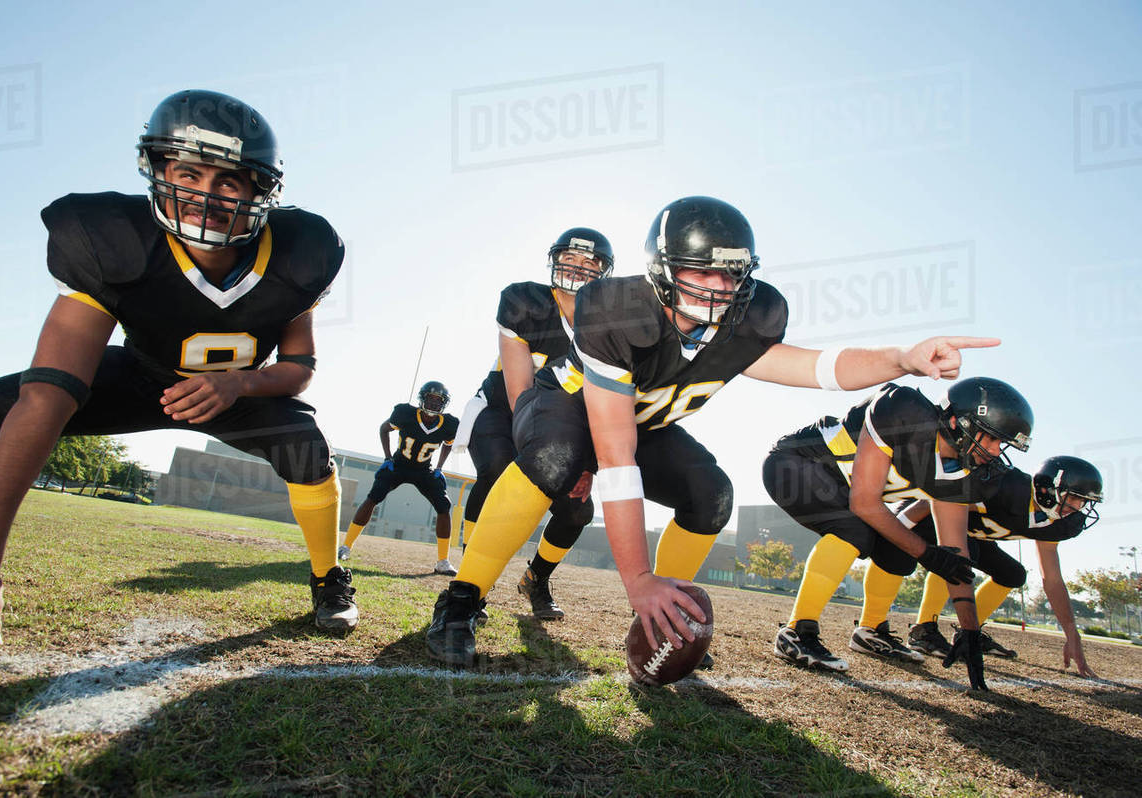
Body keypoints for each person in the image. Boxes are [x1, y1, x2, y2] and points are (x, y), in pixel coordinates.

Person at [426, 194, 999, 670]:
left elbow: (819, 368)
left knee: (711, 494)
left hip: (646, 422)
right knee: (555, 456)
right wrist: (637, 578)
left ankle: (660, 619)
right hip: (566, 403)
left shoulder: (749, 318)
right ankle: (460, 601)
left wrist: (902, 356)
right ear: (661, 270)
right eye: (698, 270)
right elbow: (617, 456)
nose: (715, 287)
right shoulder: (618, 309)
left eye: (729, 272)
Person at [0, 89, 356, 670]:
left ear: (261, 191)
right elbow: (50, 388)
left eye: (228, 182)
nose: (204, 196)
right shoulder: (112, 237)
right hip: (141, 375)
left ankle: (329, 577)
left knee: (310, 451)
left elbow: (299, 370)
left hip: (232, 392)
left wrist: (238, 385)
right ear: (159, 170)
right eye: (189, 172)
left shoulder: (302, 251)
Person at [764, 377, 1033, 690]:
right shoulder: (904, 413)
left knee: (901, 552)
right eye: (992, 439)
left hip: (847, 491)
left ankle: (870, 630)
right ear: (961, 423)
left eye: (1003, 444)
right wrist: (927, 553)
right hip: (796, 463)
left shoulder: (961, 474)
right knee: (857, 530)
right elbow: (864, 503)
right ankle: (797, 631)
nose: (997, 451)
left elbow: (955, 557)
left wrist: (970, 631)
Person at [453, 228, 613, 620]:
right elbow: (519, 391)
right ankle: (471, 586)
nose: (577, 268)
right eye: (570, 259)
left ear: (604, 273)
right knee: (495, 470)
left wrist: (587, 465)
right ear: (553, 260)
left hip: (558, 423)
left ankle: (536, 578)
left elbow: (599, 401)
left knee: (577, 508)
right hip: (503, 408)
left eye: (589, 263)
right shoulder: (525, 301)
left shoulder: (609, 325)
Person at [899, 456, 1104, 677]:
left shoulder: (1056, 523)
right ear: (1047, 489)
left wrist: (1072, 634)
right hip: (925, 513)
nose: (1078, 507)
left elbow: (1052, 579)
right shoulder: (1004, 488)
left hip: (970, 533)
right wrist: (895, 527)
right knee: (961, 554)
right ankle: (923, 630)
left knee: (1013, 574)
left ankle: (968, 632)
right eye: (1073, 498)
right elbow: (938, 498)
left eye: (1083, 502)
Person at [339, 382, 460, 575]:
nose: (434, 403)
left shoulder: (450, 424)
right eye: (430, 398)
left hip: (424, 470)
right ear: (422, 398)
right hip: (399, 465)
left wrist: (439, 467)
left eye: (439, 400)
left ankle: (443, 562)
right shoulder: (406, 413)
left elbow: (449, 443)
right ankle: (346, 547)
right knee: (373, 497)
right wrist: (387, 458)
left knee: (444, 507)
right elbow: (384, 428)